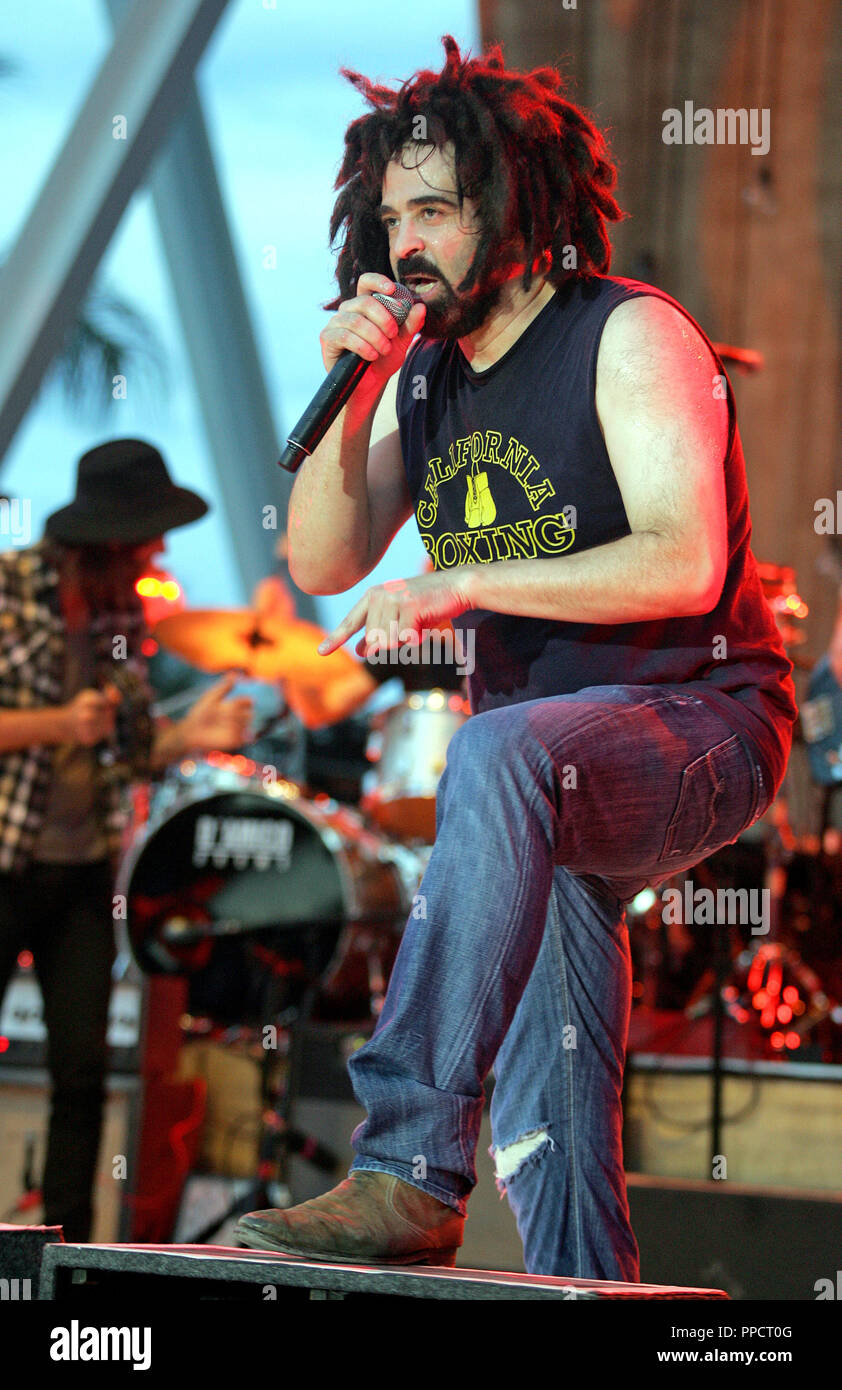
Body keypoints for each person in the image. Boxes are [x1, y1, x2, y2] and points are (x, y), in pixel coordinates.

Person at [235, 37, 796, 1278]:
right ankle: (587, 1286)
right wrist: (356, 381)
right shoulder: (425, 377)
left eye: (434, 209)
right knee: (550, 1135)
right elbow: (325, 561)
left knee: (495, 753)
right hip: (535, 781)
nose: (407, 243)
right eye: (392, 219)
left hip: (697, 725)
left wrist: (461, 579)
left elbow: (682, 562)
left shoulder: (629, 335)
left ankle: (403, 1164)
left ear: (516, 208)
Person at [0, 438, 252, 1241]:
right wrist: (53, 724)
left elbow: (130, 747)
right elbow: (65, 726)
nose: (159, 553)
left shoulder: (120, 612)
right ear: (108, 539)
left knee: (82, 1072)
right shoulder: (8, 589)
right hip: (5, 863)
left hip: (80, 872)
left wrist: (194, 733)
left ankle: (60, 1254)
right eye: (147, 539)